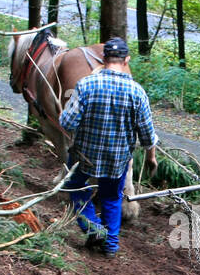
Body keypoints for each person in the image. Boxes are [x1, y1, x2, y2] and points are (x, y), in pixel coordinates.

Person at [58, 37, 158, 257]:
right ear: (126, 60)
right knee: (112, 198)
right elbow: (148, 135)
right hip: (117, 160)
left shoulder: (85, 85)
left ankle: (93, 228)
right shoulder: (137, 92)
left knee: (75, 186)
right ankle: (110, 245)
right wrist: (152, 157)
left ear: (103, 59)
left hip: (84, 156)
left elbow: (67, 123)